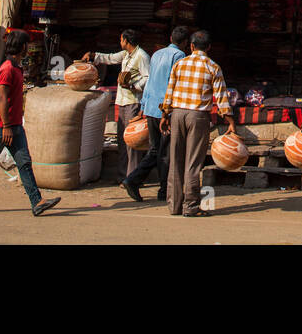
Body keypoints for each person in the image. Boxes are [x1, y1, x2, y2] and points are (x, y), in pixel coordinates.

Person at [0, 29, 61, 216]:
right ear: (22, 46)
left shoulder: (16, 68)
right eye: (27, 45)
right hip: (3, 126)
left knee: (24, 162)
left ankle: (37, 201)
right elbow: (2, 99)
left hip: (14, 125)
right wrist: (7, 126)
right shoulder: (7, 69)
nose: (29, 49)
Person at [159, 30, 235, 217]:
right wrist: (230, 121)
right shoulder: (213, 67)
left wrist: (165, 114)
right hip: (198, 116)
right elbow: (222, 98)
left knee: (176, 160)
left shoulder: (180, 64)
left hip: (177, 114)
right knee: (193, 162)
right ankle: (190, 206)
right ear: (209, 47)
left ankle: (174, 205)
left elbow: (170, 91)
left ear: (191, 46)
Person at [123, 25, 190, 203]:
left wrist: (143, 108)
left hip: (152, 107)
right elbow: (173, 84)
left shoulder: (157, 54)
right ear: (185, 43)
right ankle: (160, 188)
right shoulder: (180, 57)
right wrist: (168, 111)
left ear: (170, 38)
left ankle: (135, 180)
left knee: (156, 148)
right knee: (165, 151)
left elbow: (151, 82)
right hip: (164, 109)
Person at [83, 28, 150, 185]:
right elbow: (110, 58)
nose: (120, 43)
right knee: (122, 140)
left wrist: (133, 85)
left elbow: (148, 78)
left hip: (134, 101)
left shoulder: (142, 56)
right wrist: (93, 55)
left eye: (121, 40)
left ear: (126, 41)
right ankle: (122, 176)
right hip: (122, 101)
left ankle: (133, 177)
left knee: (132, 141)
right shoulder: (126, 54)